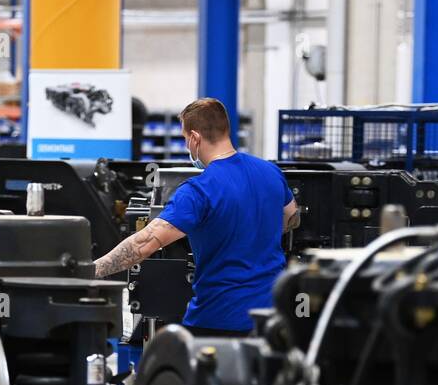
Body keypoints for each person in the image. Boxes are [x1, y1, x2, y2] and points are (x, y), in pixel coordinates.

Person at [93, 97, 300, 336]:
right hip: (272, 317)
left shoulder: (199, 190)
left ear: (194, 138)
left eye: (184, 139)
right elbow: (291, 215)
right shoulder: (270, 172)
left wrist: (92, 269)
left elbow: (144, 244)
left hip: (219, 318)